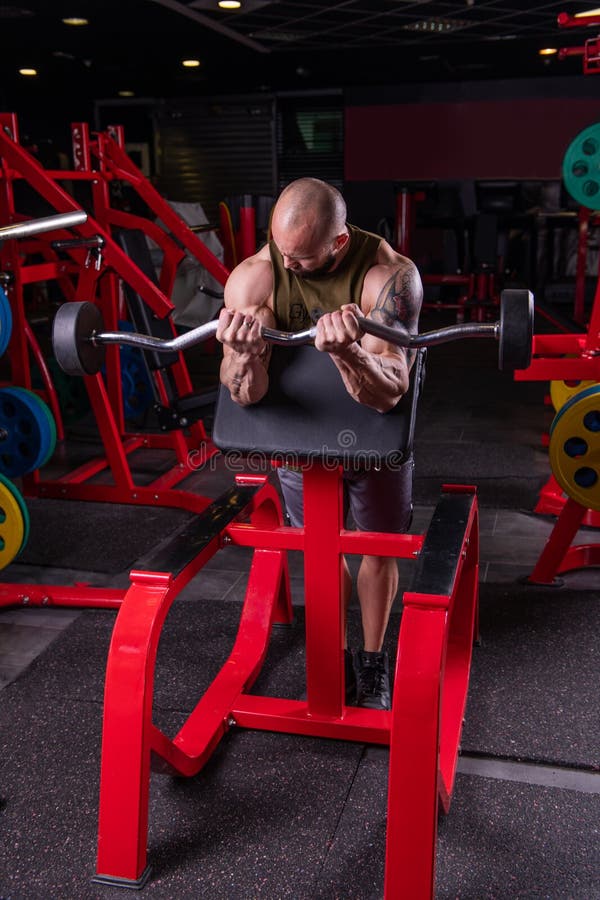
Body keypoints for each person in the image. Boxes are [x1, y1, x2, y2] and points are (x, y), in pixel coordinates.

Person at [216, 177, 423, 710]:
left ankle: (372, 663)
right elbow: (245, 395)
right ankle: (327, 656)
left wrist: (348, 353)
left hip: (373, 440)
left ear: (338, 243)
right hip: (302, 437)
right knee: (316, 543)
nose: (290, 267)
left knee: (375, 545)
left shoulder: (388, 278)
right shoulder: (256, 277)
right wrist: (242, 356)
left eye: (303, 258)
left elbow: (388, 395)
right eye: (283, 252)